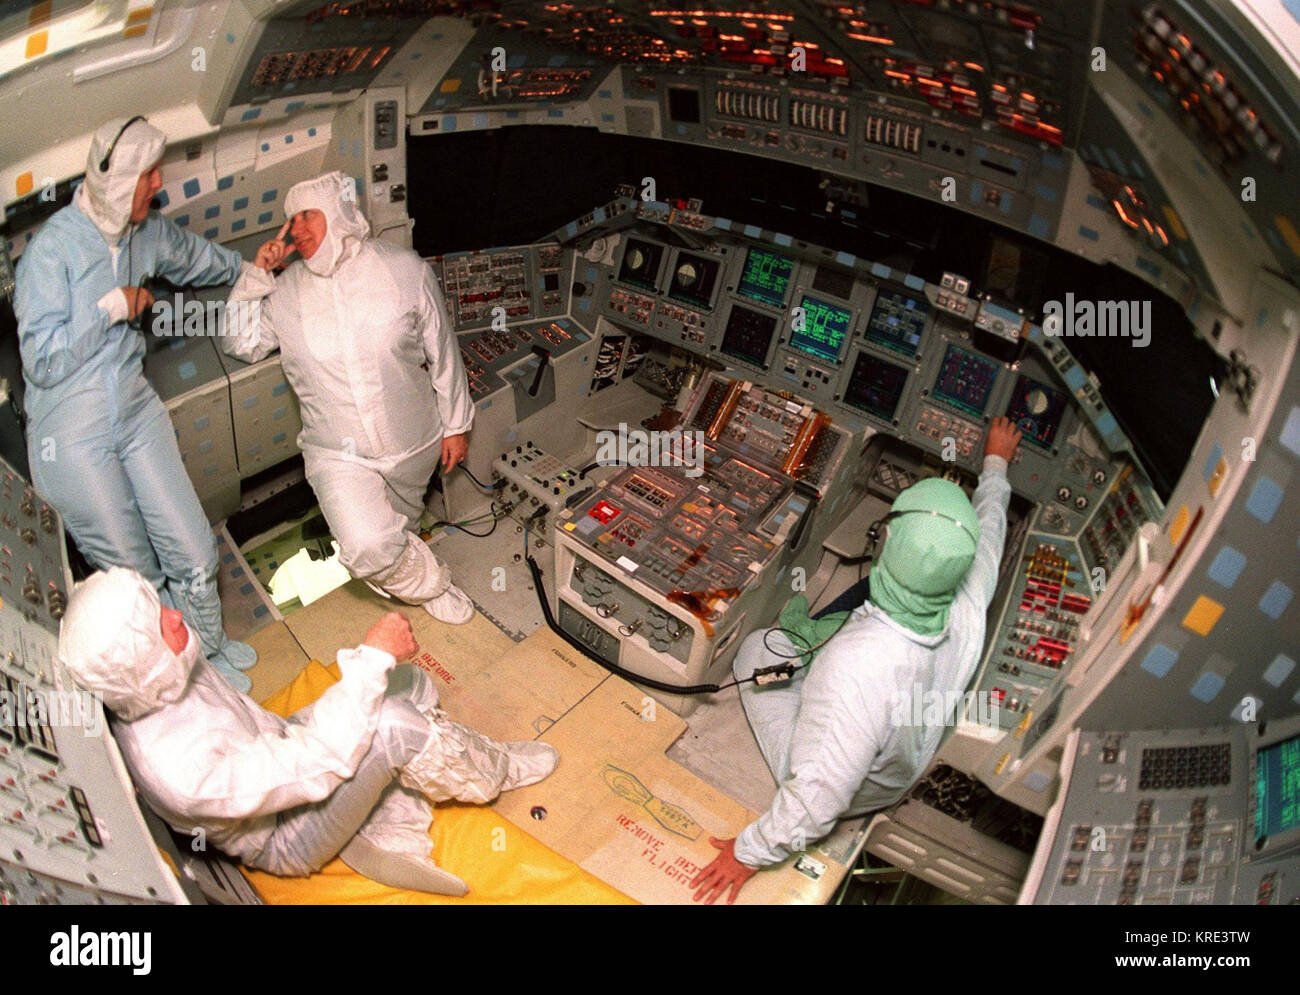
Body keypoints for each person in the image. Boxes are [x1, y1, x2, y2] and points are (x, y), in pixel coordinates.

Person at [58, 567, 559, 895]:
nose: (173, 615)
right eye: (157, 623)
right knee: (392, 723)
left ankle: (378, 806)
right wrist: (373, 656)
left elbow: (292, 752)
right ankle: (495, 772)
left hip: (278, 747)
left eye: (157, 604)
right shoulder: (177, 768)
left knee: (409, 682)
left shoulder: (152, 677)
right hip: (286, 833)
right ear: (138, 661)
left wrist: (380, 666)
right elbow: (316, 765)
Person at [692, 417, 1024, 904]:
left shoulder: (857, 666)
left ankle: (811, 703)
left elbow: (820, 799)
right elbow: (990, 531)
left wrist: (747, 854)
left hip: (860, 786)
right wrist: (996, 465)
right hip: (897, 761)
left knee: (759, 648)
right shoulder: (970, 597)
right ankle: (820, 706)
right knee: (827, 701)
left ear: (886, 543)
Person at [13, 116, 257, 692]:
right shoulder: (50, 253)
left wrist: (255, 268)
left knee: (195, 553)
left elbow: (197, 258)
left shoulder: (146, 232)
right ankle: (183, 679)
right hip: (69, 437)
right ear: (117, 181)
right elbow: (41, 362)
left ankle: (210, 651)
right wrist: (110, 308)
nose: (159, 183)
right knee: (139, 579)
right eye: (149, 174)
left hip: (134, 410)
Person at [220, 172, 476, 624]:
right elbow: (240, 341)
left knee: (401, 527)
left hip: (413, 442)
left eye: (305, 216)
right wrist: (257, 273)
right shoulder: (284, 292)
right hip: (338, 454)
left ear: (337, 213)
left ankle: (410, 557)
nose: (295, 230)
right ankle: (432, 585)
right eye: (289, 222)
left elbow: (442, 349)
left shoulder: (403, 268)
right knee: (368, 546)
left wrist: (456, 424)